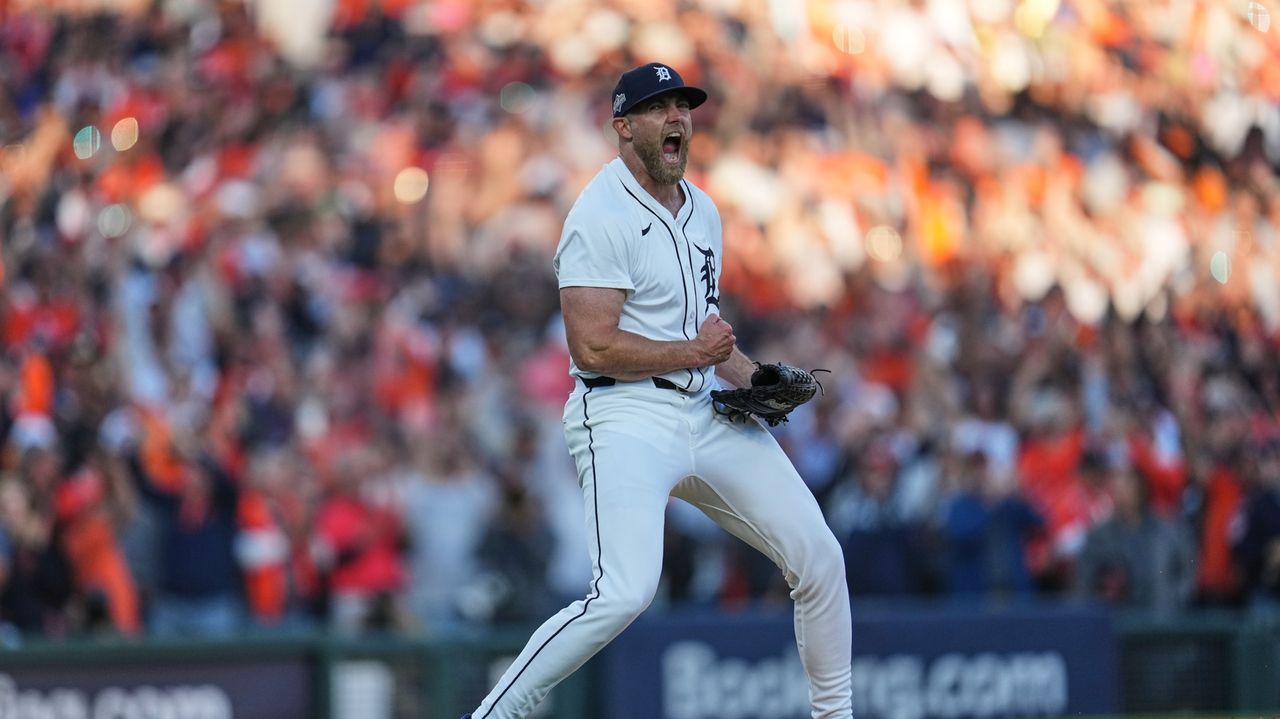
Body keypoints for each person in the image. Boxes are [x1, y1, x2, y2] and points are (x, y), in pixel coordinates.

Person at [464, 62, 852, 719]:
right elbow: (592, 346)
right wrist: (696, 354)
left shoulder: (703, 211)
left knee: (819, 556)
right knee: (624, 591)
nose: (677, 116)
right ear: (623, 125)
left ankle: (835, 714)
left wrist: (754, 376)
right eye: (658, 107)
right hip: (623, 413)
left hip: (703, 405)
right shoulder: (598, 213)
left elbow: (703, 333)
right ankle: (497, 711)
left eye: (683, 105)